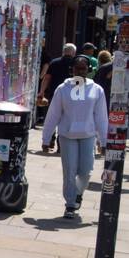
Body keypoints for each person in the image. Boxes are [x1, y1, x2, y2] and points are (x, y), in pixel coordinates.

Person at [42, 55, 109, 219]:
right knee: (70, 171)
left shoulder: (97, 90)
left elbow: (101, 117)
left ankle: (78, 193)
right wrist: (46, 138)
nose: (80, 71)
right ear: (72, 70)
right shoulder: (62, 89)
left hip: (88, 135)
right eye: (77, 68)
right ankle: (70, 204)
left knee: (86, 171)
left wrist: (103, 141)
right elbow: (53, 114)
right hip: (67, 135)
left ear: (89, 70)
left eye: (83, 68)